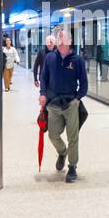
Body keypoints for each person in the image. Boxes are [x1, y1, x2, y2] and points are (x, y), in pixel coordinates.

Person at [39, 29, 88, 183]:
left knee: (73, 137)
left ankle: (72, 166)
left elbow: (84, 85)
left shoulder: (77, 60)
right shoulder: (50, 57)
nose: (59, 43)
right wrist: (42, 93)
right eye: (57, 40)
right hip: (53, 104)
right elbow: (44, 77)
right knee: (53, 135)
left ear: (69, 41)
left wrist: (77, 99)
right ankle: (62, 152)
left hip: (70, 104)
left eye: (62, 40)